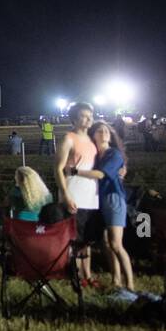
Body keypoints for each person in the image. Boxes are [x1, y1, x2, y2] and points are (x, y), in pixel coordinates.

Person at [79, 122, 134, 293]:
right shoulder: (95, 156)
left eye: (106, 131)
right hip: (97, 201)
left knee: (116, 244)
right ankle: (116, 279)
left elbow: (101, 174)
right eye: (99, 131)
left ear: (110, 136)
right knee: (105, 242)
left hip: (113, 199)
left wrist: (74, 172)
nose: (103, 134)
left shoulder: (113, 154)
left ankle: (130, 284)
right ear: (93, 135)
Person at [53, 102, 99, 286]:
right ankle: (75, 275)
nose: (89, 119)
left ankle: (88, 275)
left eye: (90, 115)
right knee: (74, 239)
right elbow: (58, 168)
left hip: (91, 197)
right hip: (74, 195)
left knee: (87, 239)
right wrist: (65, 194)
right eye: (84, 116)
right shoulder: (68, 138)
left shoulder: (92, 141)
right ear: (74, 118)